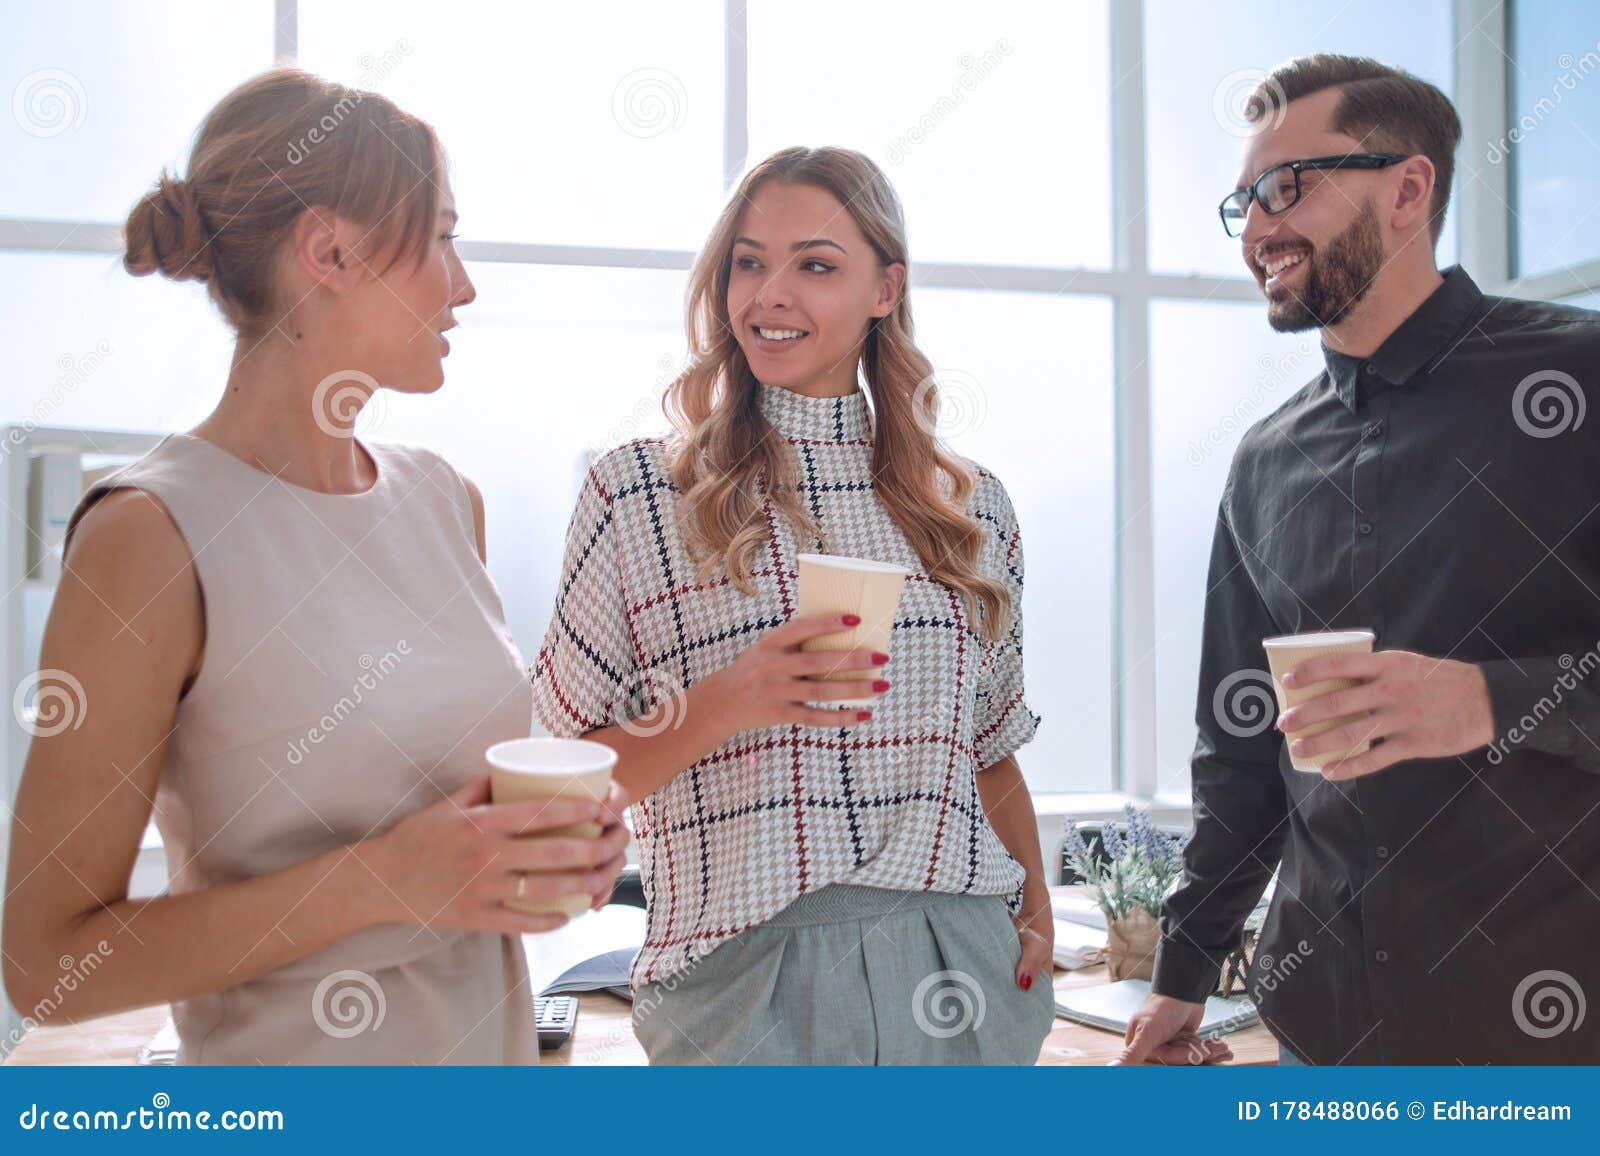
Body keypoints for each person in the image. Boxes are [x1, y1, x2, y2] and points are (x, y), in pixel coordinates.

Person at [0, 68, 629, 1065]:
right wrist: (390, 879)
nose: (462, 283)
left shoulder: (443, 501)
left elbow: (458, 849)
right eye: (442, 238)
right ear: (329, 250)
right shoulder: (148, 532)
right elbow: (44, 965)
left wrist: (551, 856)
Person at [531, 146, 1083, 1064]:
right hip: (744, 990)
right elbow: (560, 786)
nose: (769, 294)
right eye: (749, 262)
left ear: (884, 290)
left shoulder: (969, 503)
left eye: (815, 266)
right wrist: (737, 694)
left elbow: (990, 752)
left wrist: (1032, 916)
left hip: (961, 973)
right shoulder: (638, 494)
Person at [1120, 54, 1600, 1066]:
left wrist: (1489, 702)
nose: (1257, 228)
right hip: (1324, 1033)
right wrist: (1182, 974)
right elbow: (1241, 752)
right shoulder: (1262, 460)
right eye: (1242, 202)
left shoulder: (1579, 379)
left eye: (1287, 186)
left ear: (1408, 190)